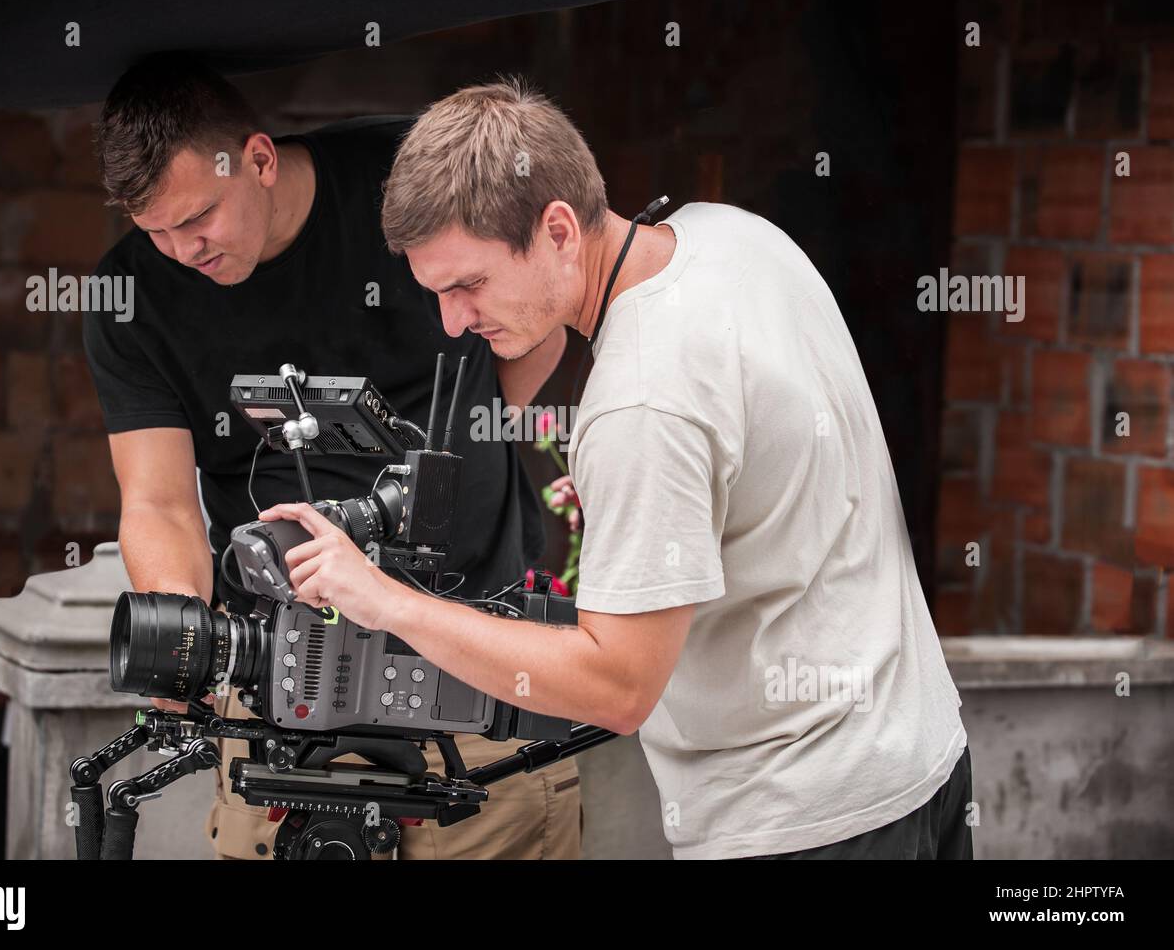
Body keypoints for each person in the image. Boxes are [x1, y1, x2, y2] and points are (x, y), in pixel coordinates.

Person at [263, 78, 973, 859]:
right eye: (434, 292)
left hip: (804, 820)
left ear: (558, 230)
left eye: (468, 284)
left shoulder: (639, 400)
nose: (453, 322)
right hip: (923, 759)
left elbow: (617, 686)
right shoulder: (732, 237)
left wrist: (386, 602)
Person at [81, 57, 580, 860]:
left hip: (474, 663)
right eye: (157, 232)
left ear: (260, 158)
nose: (183, 250)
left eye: (200, 216)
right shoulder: (133, 298)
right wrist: (184, 651)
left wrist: (453, 460)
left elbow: (541, 323)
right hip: (279, 688)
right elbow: (160, 502)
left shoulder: (415, 186)